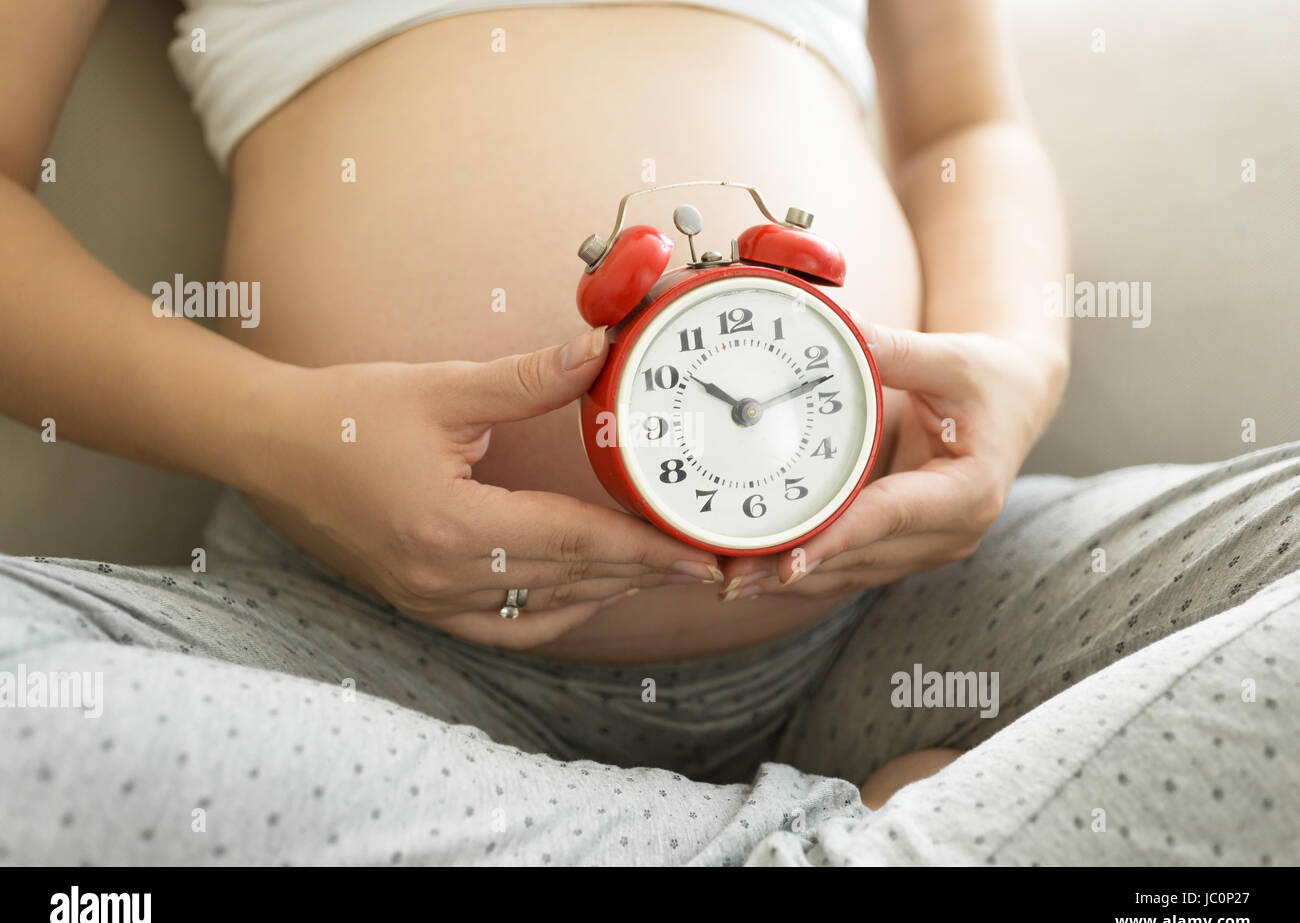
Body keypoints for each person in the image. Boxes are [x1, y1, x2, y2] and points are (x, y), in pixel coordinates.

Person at [0, 0, 1294, 866]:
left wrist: (1011, 371)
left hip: (898, 616)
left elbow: (967, 130)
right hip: (358, 664)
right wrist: (280, 434)